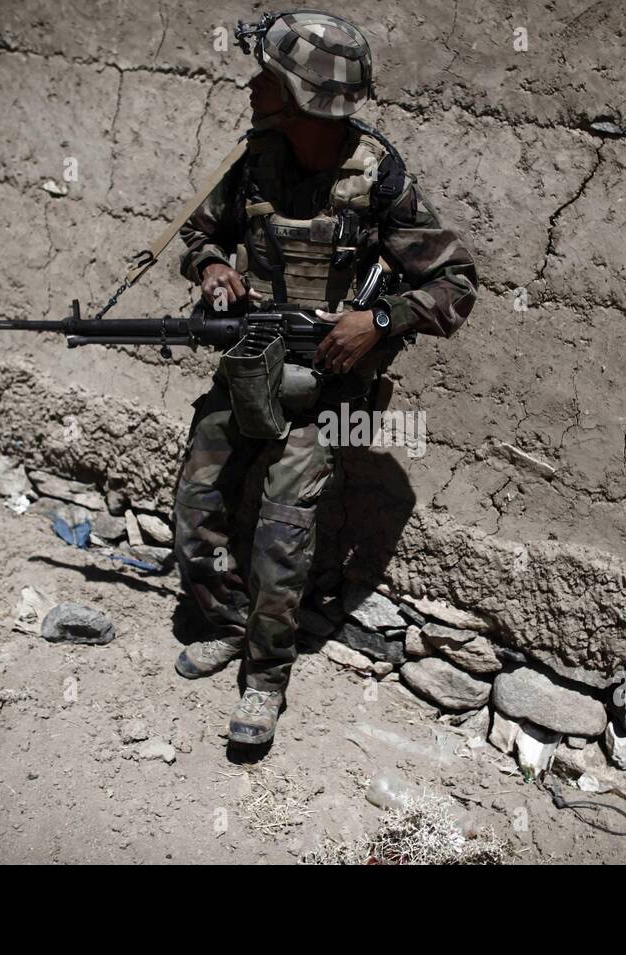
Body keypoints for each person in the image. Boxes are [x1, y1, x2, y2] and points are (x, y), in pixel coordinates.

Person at [172, 10, 478, 745]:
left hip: (327, 396)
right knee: (196, 500)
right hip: (250, 371)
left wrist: (378, 322)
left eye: (267, 78)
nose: (251, 87)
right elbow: (198, 234)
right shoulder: (255, 160)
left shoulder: (378, 178)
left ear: (302, 97)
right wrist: (215, 271)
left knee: (282, 529)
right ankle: (225, 622)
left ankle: (265, 679)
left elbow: (457, 283)